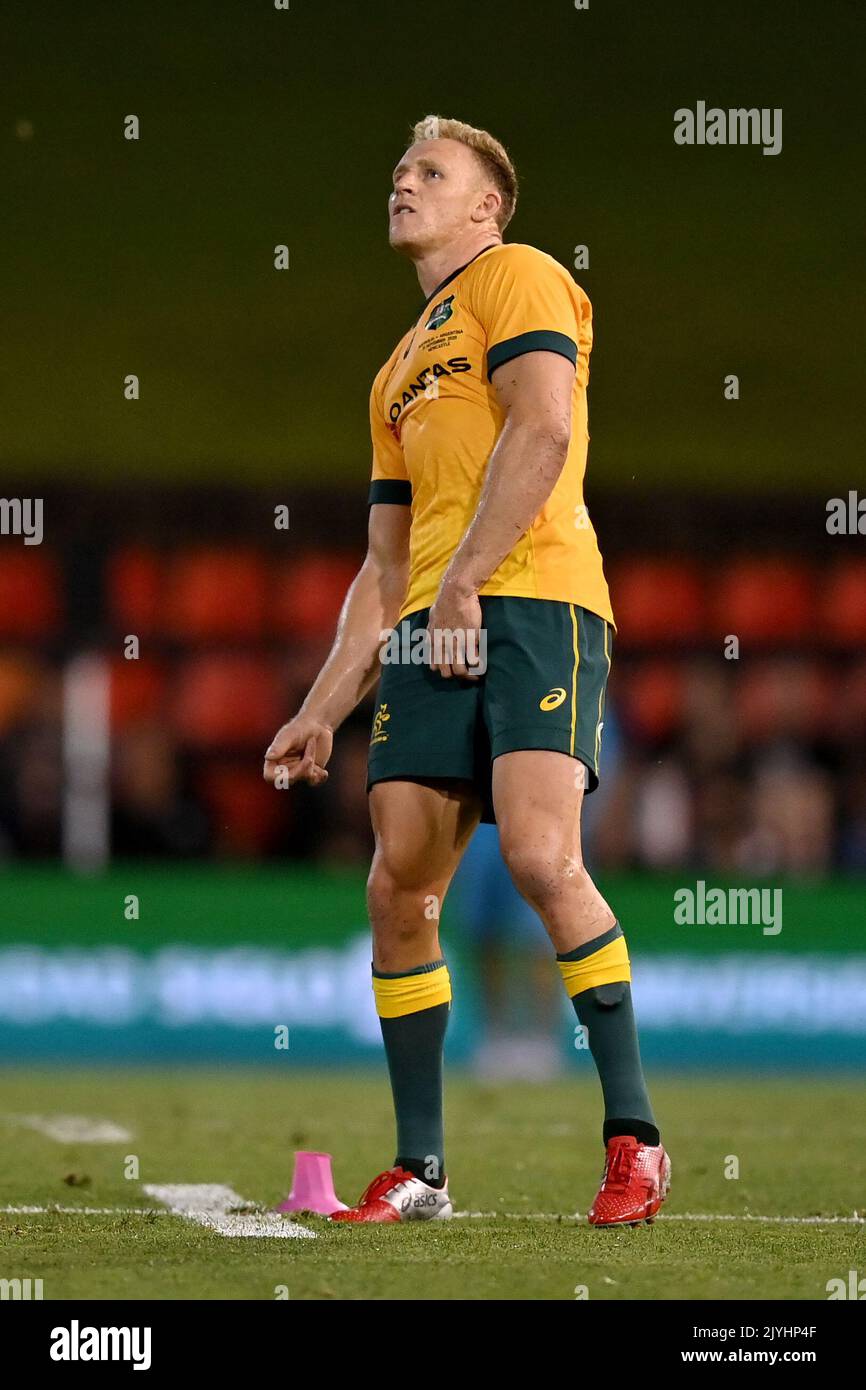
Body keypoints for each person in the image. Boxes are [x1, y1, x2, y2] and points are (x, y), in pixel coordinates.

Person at [264, 115, 669, 1227]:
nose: (402, 184)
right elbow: (381, 563)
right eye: (397, 171)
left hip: (533, 598)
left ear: (486, 205)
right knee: (400, 884)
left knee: (541, 857)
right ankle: (421, 1171)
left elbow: (541, 429)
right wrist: (319, 706)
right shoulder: (394, 370)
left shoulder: (521, 277)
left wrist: (466, 585)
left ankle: (634, 1138)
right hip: (425, 629)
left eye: (429, 173)